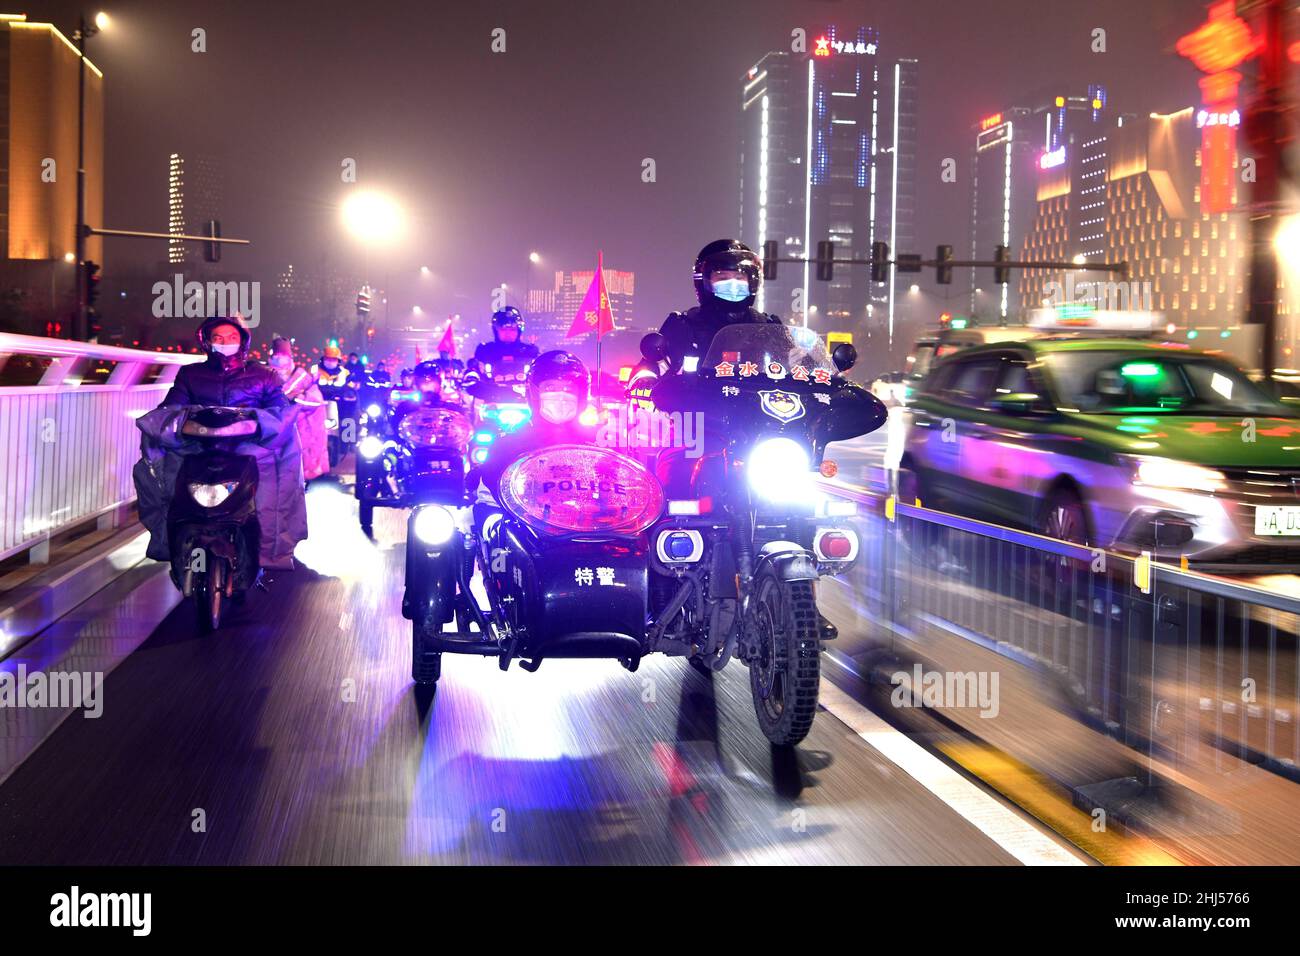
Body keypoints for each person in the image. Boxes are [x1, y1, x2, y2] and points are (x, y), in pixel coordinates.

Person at [133, 316, 308, 570]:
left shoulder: (264, 375)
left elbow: (281, 410)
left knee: (279, 465)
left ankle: (270, 546)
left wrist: (257, 424)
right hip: (199, 449)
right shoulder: (190, 374)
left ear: (243, 342)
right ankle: (166, 537)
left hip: (249, 451)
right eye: (219, 338)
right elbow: (171, 407)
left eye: (232, 338)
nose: (226, 343)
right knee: (161, 462)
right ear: (208, 342)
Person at [470, 350, 596, 499]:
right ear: (533, 393)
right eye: (550, 388)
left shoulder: (593, 446)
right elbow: (488, 499)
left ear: (581, 396)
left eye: (568, 389)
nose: (560, 396)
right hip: (522, 522)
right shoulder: (508, 444)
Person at [269, 337, 329, 481]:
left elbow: (315, 402)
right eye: (276, 357)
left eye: (283, 357)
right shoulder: (268, 376)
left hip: (302, 430)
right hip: (278, 429)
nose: (280, 362)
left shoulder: (304, 379)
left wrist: (298, 399)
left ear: (290, 358)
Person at [472, 307, 539, 389]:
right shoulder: (485, 351)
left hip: (524, 397)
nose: (508, 333)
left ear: (519, 331)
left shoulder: (530, 352)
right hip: (489, 398)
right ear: (496, 331)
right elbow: (473, 373)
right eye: (503, 330)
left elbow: (539, 377)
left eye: (512, 330)